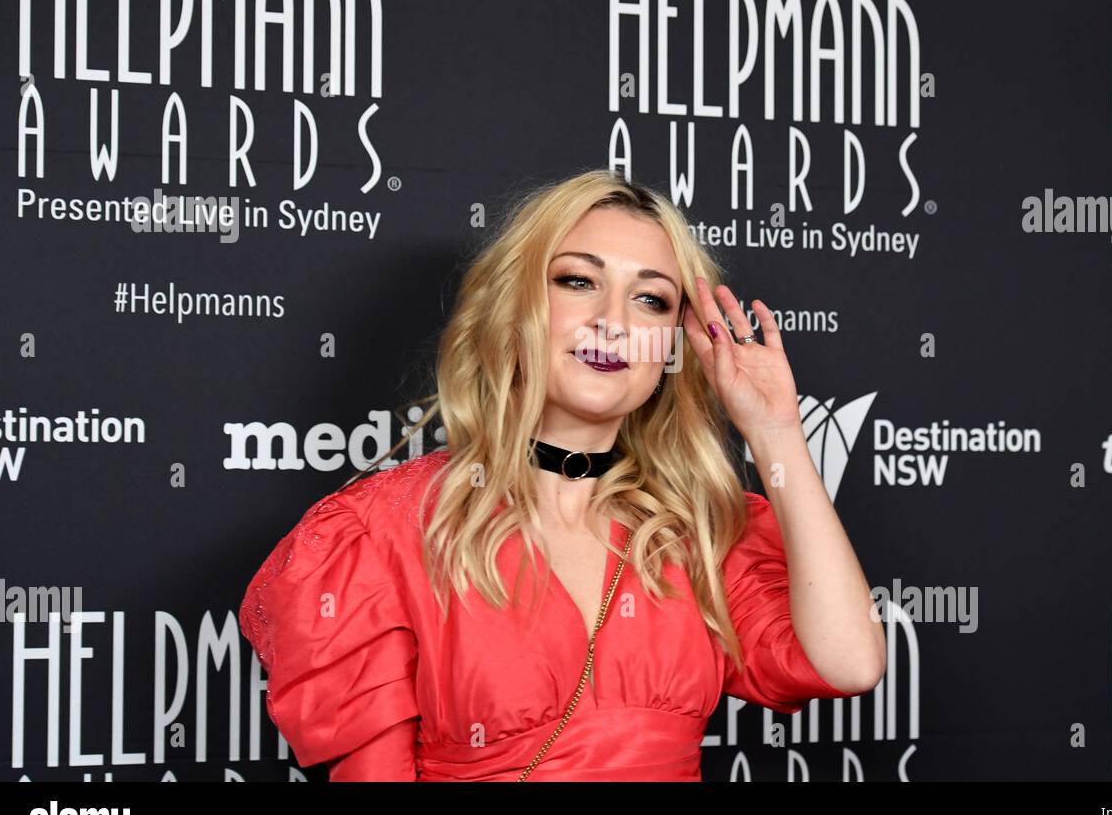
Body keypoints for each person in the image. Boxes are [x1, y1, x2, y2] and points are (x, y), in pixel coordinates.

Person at [237, 167, 886, 781]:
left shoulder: (705, 531)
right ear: (516, 303)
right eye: (578, 281)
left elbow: (851, 663)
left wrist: (775, 430)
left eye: (652, 300)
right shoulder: (375, 535)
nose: (615, 321)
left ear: (673, 342)